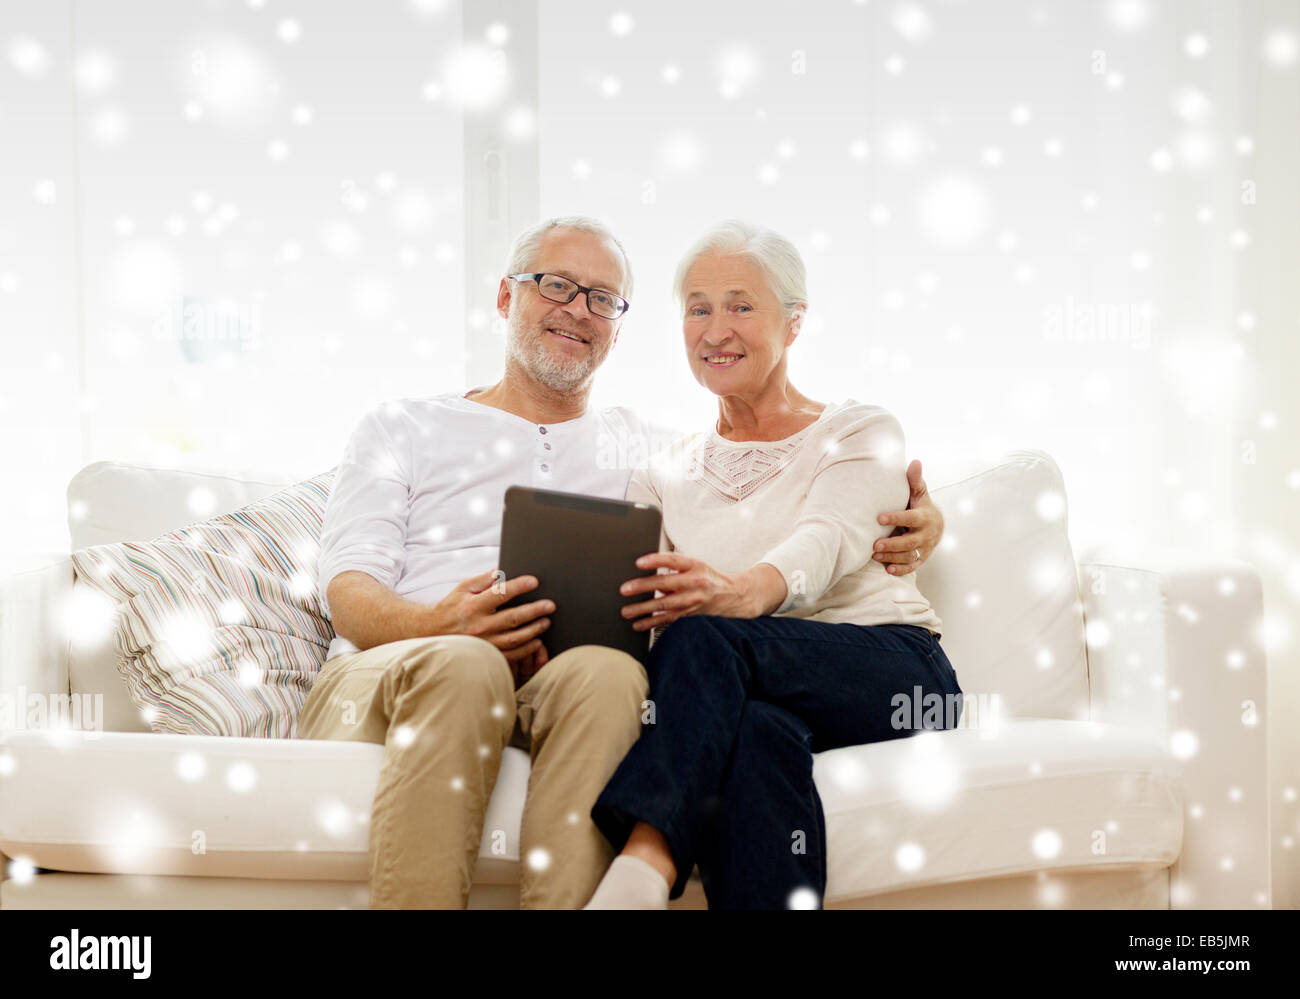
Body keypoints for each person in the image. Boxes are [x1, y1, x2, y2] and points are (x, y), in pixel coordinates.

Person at [296, 215, 947, 909]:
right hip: (406, 666)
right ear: (503, 297)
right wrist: (442, 619)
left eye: (602, 298)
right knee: (467, 660)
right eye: (556, 285)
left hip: (561, 678)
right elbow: (349, 594)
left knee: (612, 674)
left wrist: (926, 516)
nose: (578, 309)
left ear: (619, 326)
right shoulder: (402, 425)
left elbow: (800, 487)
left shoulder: (642, 451)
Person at [584, 220, 962, 910]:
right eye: (698, 308)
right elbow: (642, 603)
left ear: (793, 323)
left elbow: (825, 539)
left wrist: (734, 593)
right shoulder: (660, 471)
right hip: (754, 692)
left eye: (740, 305)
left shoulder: (856, 430)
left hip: (887, 671)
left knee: (703, 634)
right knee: (757, 734)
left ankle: (645, 862)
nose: (715, 328)